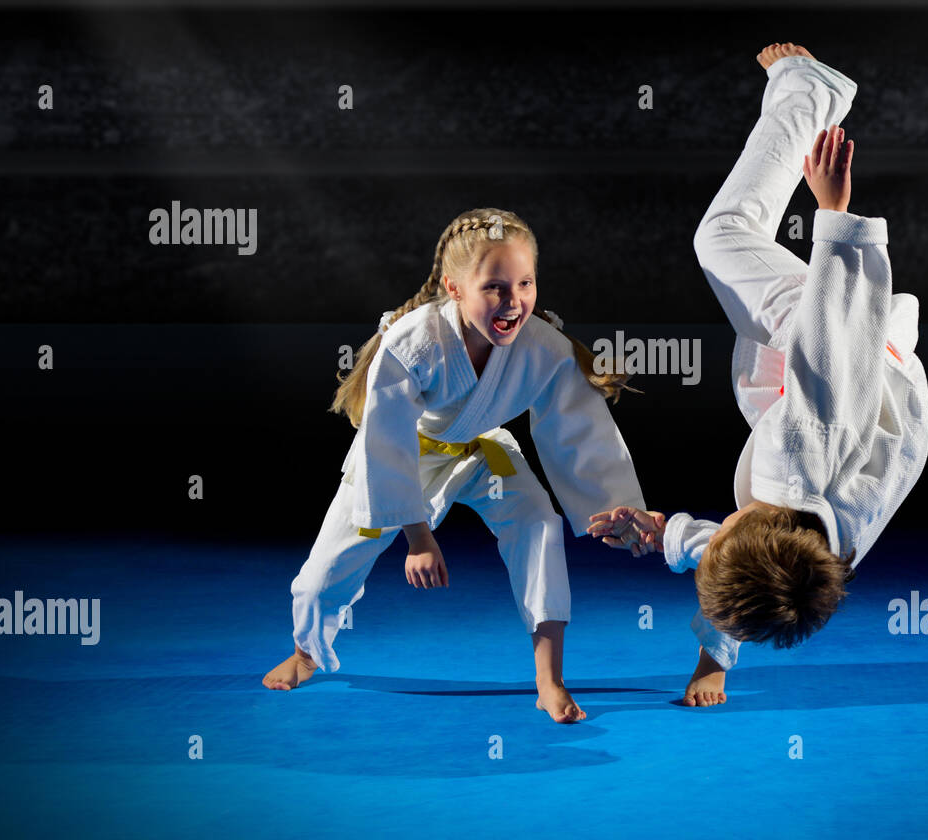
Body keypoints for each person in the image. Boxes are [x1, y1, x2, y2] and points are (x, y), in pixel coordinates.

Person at [589, 43, 928, 707]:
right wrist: (834, 219)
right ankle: (812, 91)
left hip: (860, 398)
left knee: (746, 558)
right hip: (850, 350)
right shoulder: (807, 438)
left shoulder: (815, 556)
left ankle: (811, 94)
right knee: (720, 237)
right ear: (751, 519)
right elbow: (833, 347)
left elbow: (741, 559)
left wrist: (664, 534)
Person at [263, 208, 645, 723]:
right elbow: (387, 442)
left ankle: (548, 677)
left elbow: (581, 434)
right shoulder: (413, 342)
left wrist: (617, 510)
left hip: (482, 452)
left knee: (538, 523)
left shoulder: (543, 349)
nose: (515, 302)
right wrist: (418, 537)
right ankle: (307, 651)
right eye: (495, 288)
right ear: (454, 288)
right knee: (322, 574)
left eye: (526, 283)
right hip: (405, 456)